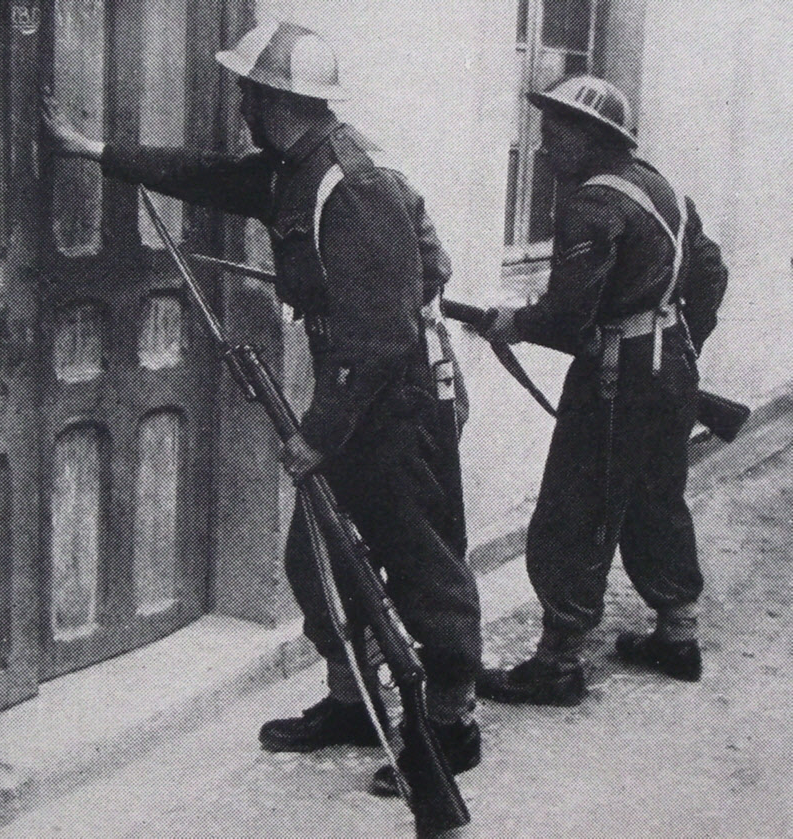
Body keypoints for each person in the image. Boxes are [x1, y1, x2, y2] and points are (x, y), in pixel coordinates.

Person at [43, 20, 483, 793]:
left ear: (278, 100)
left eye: (248, 93)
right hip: (358, 389)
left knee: (422, 565)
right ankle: (353, 701)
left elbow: (383, 336)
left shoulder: (352, 184)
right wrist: (95, 151)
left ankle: (451, 724)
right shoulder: (294, 168)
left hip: (399, 399)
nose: (240, 107)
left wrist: (319, 434)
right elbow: (209, 175)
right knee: (316, 561)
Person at [477, 75, 728, 706]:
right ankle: (678, 634)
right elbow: (711, 273)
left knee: (575, 508)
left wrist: (514, 323)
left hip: (618, 377)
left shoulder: (590, 204)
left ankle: (558, 663)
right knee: (656, 498)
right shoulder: (664, 189)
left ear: (590, 138)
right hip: (670, 367)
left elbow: (567, 319)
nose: (543, 148)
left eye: (554, 134)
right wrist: (676, 342)